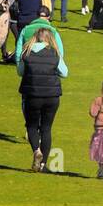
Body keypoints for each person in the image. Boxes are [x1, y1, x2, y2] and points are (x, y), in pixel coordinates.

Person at [17, 24, 67, 172]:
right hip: (52, 96)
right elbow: (64, 73)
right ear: (49, 39)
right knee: (46, 128)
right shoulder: (55, 53)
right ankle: (43, 164)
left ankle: (36, 151)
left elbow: (20, 72)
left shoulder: (26, 53)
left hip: (32, 94)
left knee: (32, 126)